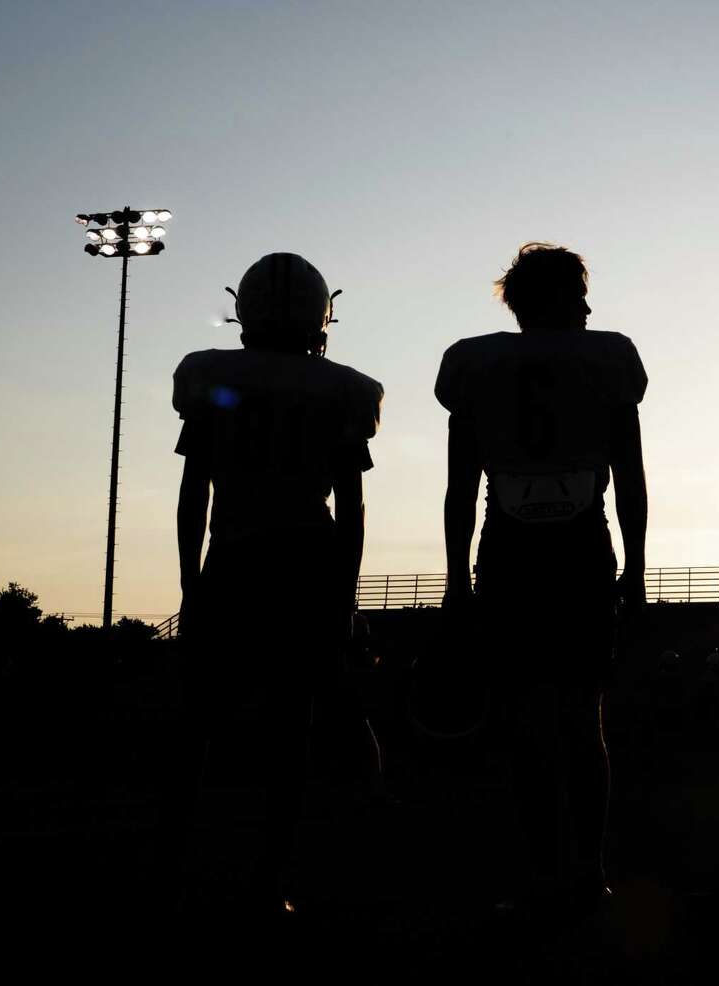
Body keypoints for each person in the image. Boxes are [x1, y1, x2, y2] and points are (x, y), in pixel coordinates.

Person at [165, 252, 383, 915]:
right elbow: (351, 506)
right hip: (306, 563)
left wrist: (189, 586)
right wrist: (344, 598)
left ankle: (175, 867)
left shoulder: (212, 379)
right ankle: (270, 880)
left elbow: (192, 494)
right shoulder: (344, 390)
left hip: (233, 558)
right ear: (322, 314)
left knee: (198, 725)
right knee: (290, 729)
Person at [435, 242, 647, 916]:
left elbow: (459, 488)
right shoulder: (608, 361)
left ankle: (548, 873)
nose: (587, 307)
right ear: (552, 296)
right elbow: (631, 478)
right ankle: (584, 872)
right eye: (576, 294)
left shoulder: (474, 366)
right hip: (579, 545)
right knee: (579, 719)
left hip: (511, 545)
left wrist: (455, 577)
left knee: (532, 720)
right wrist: (636, 567)